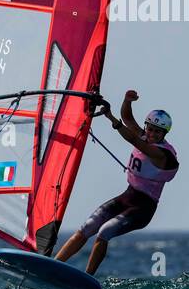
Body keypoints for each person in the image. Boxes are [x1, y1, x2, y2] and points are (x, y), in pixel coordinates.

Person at [55, 90, 178, 276]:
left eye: (157, 132)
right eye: (150, 129)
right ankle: (53, 265)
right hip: (127, 196)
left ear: (164, 134)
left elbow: (134, 140)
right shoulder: (145, 135)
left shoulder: (162, 154)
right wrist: (127, 100)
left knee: (104, 232)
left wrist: (110, 118)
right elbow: (128, 118)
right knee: (87, 227)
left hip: (143, 208)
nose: (151, 134)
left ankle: (87, 278)